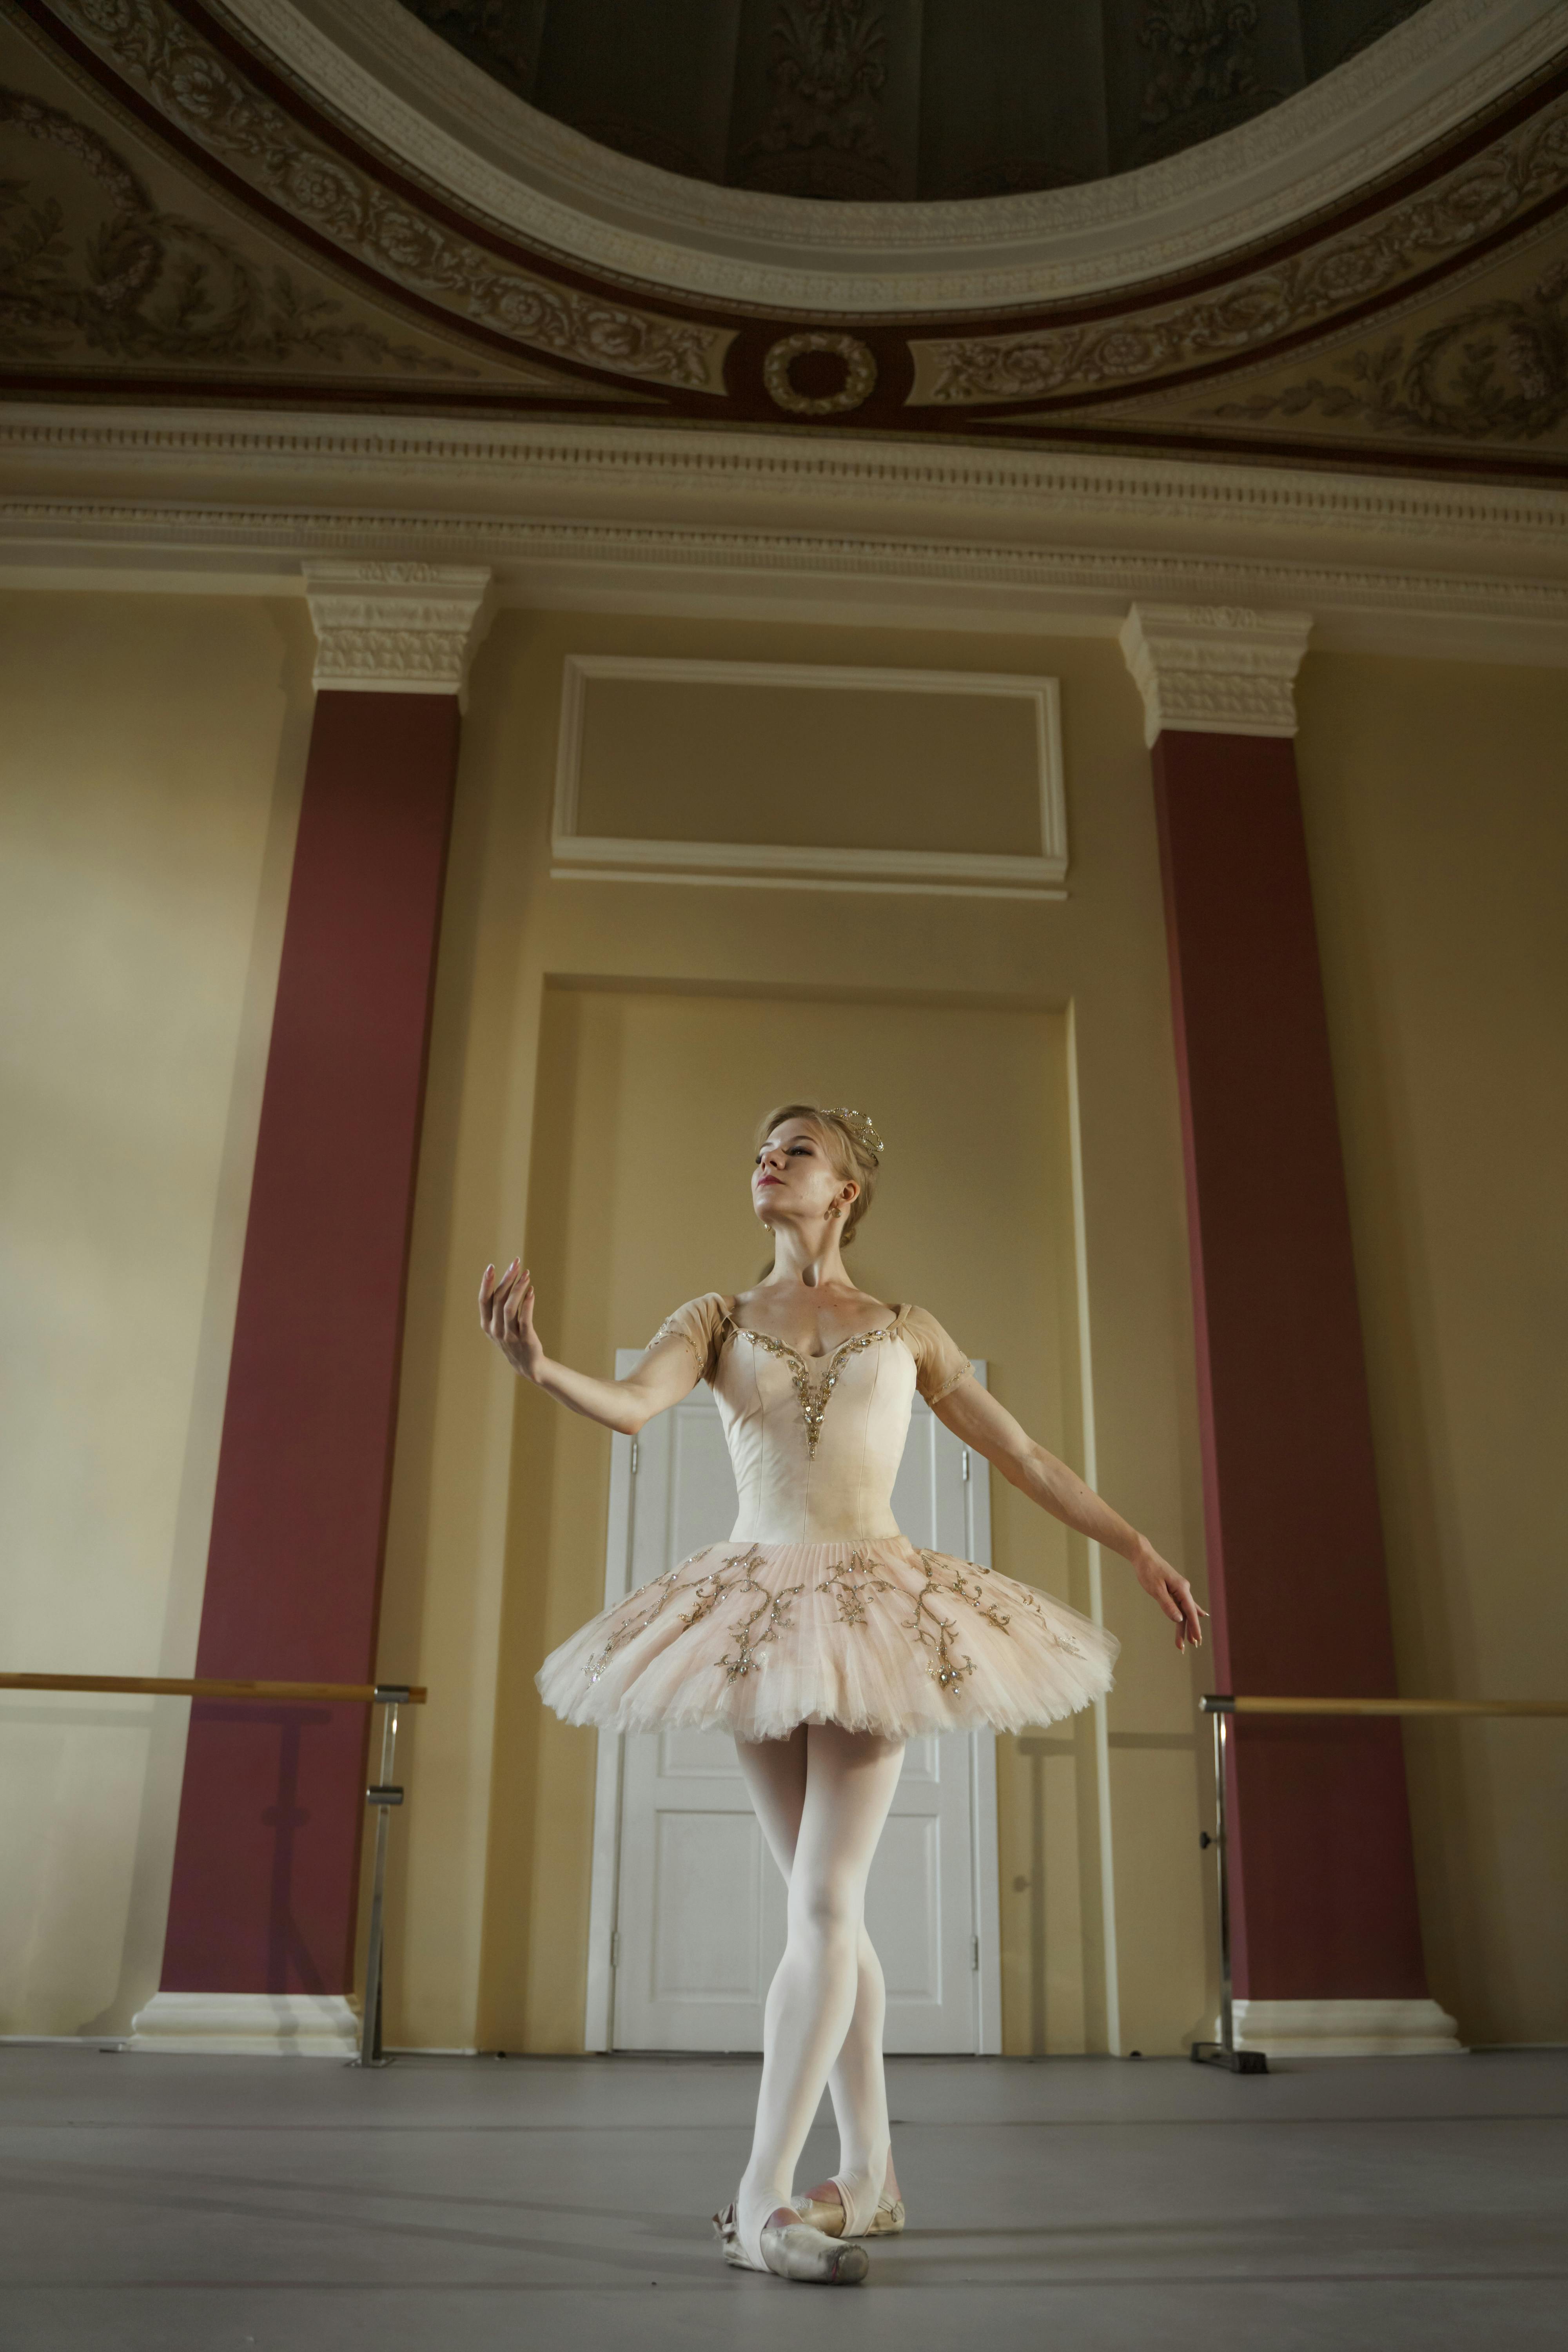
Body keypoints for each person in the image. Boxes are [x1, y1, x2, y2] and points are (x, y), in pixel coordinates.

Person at [479, 1103, 1204, 2286]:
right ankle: (869, 2176)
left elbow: (1027, 1459)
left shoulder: (905, 1331)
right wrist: (540, 1364)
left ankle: (761, 2199)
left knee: (824, 1901)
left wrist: (1136, 1549)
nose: (766, 1158)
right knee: (831, 1913)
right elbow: (632, 1408)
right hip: (757, 1619)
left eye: (795, 1147)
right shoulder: (713, 1319)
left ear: (847, 1189)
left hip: (876, 1614)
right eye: (758, 1146)